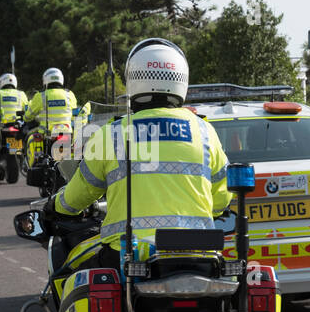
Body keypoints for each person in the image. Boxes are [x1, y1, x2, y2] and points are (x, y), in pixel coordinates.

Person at [50, 37, 230, 262]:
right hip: (198, 253)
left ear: (133, 80)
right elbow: (222, 197)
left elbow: (78, 196)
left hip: (129, 256)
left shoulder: (111, 134)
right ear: (181, 80)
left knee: (73, 278)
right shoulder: (205, 132)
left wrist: (55, 206)